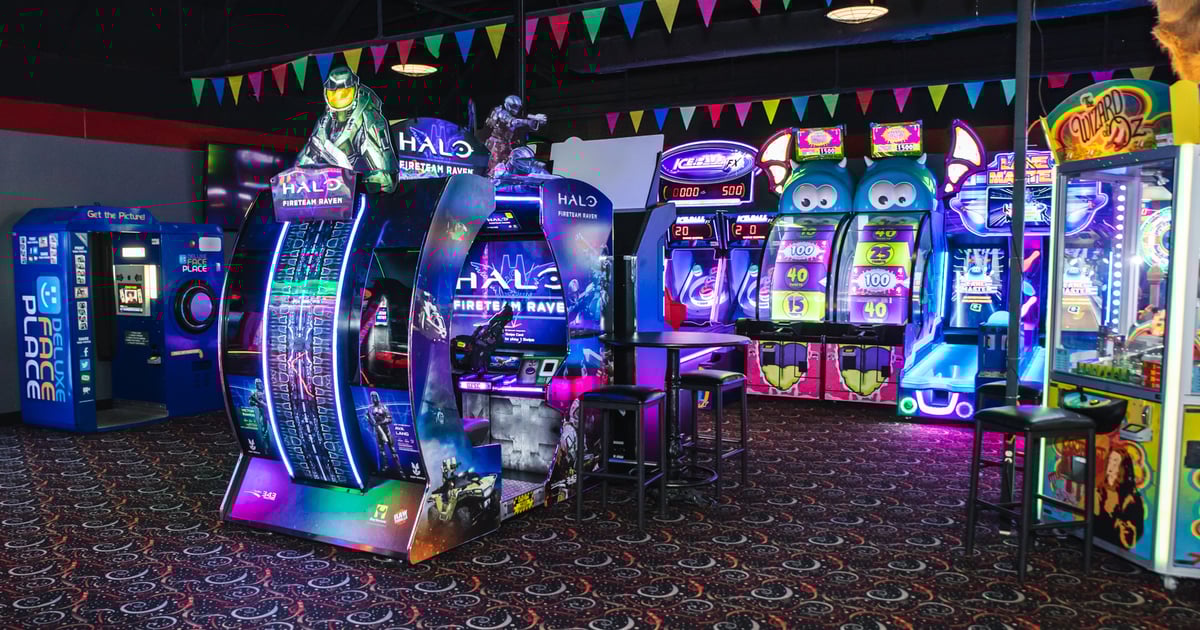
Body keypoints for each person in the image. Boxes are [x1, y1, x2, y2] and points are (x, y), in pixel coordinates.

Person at [296, 66, 397, 193]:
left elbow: (384, 177)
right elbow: (308, 157)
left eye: (344, 94)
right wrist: (297, 177)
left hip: (360, 185)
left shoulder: (368, 116)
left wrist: (377, 177)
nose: (339, 99)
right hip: (332, 187)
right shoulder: (325, 121)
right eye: (334, 94)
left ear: (354, 91)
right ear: (327, 94)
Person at [484, 95, 547, 177]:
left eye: (517, 107)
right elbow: (513, 122)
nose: (516, 109)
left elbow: (523, 122)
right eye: (514, 106)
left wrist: (536, 120)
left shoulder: (512, 115)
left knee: (511, 162)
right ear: (507, 105)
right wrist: (528, 122)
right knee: (494, 165)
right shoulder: (501, 113)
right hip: (496, 144)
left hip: (506, 144)